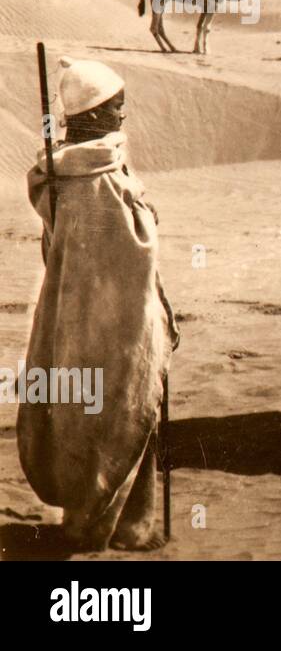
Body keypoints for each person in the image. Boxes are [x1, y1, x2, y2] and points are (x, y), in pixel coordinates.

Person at [19, 58, 179, 551]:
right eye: (116, 105)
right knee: (120, 408)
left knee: (90, 411)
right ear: (94, 113)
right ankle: (113, 528)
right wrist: (146, 215)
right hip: (116, 321)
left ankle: (112, 521)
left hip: (72, 319)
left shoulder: (65, 172)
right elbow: (134, 247)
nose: (124, 113)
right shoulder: (95, 178)